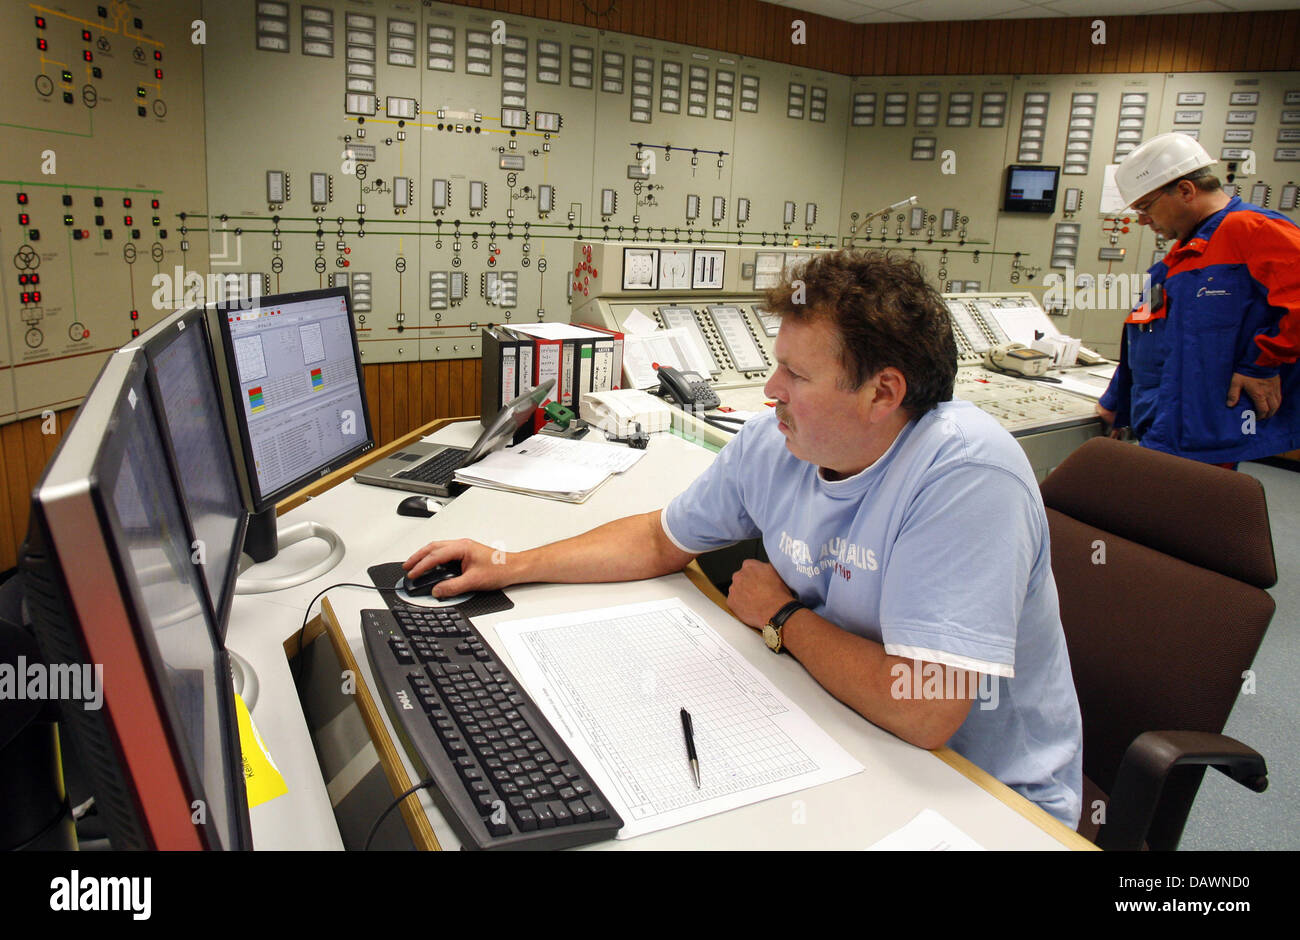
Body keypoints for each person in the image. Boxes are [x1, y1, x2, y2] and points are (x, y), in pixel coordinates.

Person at [406, 250, 1083, 826]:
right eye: (776, 364)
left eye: (797, 374)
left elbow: (927, 709)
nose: (770, 389)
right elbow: (655, 539)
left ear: (882, 393)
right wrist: (512, 564)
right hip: (847, 727)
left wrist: (784, 618)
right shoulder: (776, 443)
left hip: (983, 799)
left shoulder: (964, 475)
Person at [1097, 132, 1300, 466]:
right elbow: (1140, 339)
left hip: (1206, 429)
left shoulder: (1254, 230)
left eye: (1145, 207)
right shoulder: (1170, 265)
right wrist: (1116, 400)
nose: (1143, 220)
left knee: (1191, 510)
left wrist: (1260, 365)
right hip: (1166, 426)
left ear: (1186, 191)